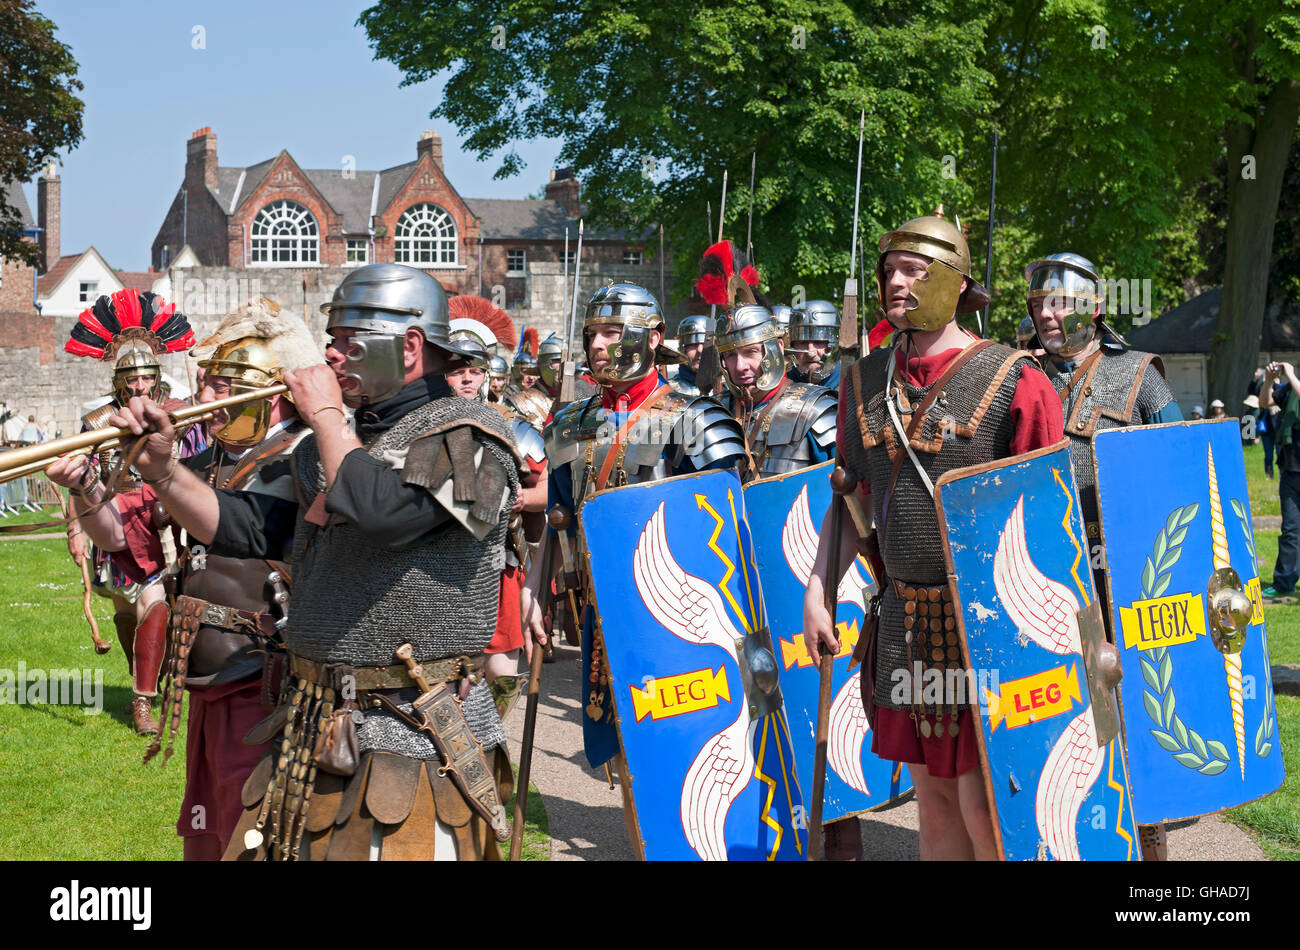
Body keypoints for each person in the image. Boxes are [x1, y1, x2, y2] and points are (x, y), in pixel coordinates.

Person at [105, 263, 522, 860]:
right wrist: (164, 472)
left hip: (415, 729)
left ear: (409, 347)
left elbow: (386, 511)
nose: (331, 356)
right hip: (314, 721)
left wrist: (325, 415)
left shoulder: (473, 437)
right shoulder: (334, 444)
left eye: (351, 341)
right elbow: (247, 528)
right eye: (332, 340)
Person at [802, 216, 1063, 861]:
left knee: (988, 803)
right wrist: (818, 588)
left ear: (954, 280)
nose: (896, 281)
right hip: (905, 622)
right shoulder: (862, 382)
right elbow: (851, 498)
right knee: (936, 800)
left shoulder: (1013, 378)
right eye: (889, 268)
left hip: (990, 626)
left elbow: (1052, 519)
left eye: (914, 270)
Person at [49, 298, 317, 859]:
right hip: (206, 684)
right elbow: (120, 538)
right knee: (208, 841)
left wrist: (164, 470)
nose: (207, 400)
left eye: (222, 387)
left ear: (269, 394)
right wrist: (84, 491)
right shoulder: (207, 465)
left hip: (268, 684)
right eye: (209, 385)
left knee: (253, 841)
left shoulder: (302, 463)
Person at [519, 281, 747, 772]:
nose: (598, 345)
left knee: (686, 748)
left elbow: (728, 532)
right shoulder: (569, 423)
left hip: (679, 619)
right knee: (621, 755)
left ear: (651, 336)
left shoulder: (694, 419)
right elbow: (560, 515)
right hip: (600, 613)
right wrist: (537, 585)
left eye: (612, 332)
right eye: (592, 333)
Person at [1022, 251, 1181, 861]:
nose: (1046, 316)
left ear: (1095, 305)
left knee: (1135, 720)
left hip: (1124, 581)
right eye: (1038, 305)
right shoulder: (1017, 374)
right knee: (1059, 728)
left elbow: (1177, 471)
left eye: (1058, 303)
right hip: (1044, 584)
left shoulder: (1139, 374)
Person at [59, 289, 200, 734]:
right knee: (126, 611)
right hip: (113, 521)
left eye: (146, 378)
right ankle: (143, 672)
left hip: (161, 524)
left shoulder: (173, 416)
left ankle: (143, 702)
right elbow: (77, 477)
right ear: (120, 382)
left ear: (157, 378)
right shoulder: (99, 422)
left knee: (156, 604)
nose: (139, 387)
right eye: (131, 380)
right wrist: (74, 531)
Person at [717, 304, 836, 479]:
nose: (740, 367)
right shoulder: (712, 413)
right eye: (730, 355)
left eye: (751, 352)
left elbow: (840, 494)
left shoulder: (815, 411)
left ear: (778, 347)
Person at [1261, 361, 1300, 599]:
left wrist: (1292, 376)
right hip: (1290, 470)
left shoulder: (1294, 385)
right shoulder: (1288, 389)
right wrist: (1267, 381)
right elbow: (1265, 402)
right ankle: (1283, 583)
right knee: (1290, 531)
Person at [786, 300, 842, 392]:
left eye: (818, 342)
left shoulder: (852, 383)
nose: (810, 353)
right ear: (792, 345)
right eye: (802, 343)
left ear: (835, 344)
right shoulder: (783, 383)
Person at [671, 314, 711, 396]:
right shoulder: (670, 391)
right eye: (693, 344)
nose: (700, 350)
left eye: (706, 344)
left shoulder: (729, 389)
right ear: (682, 349)